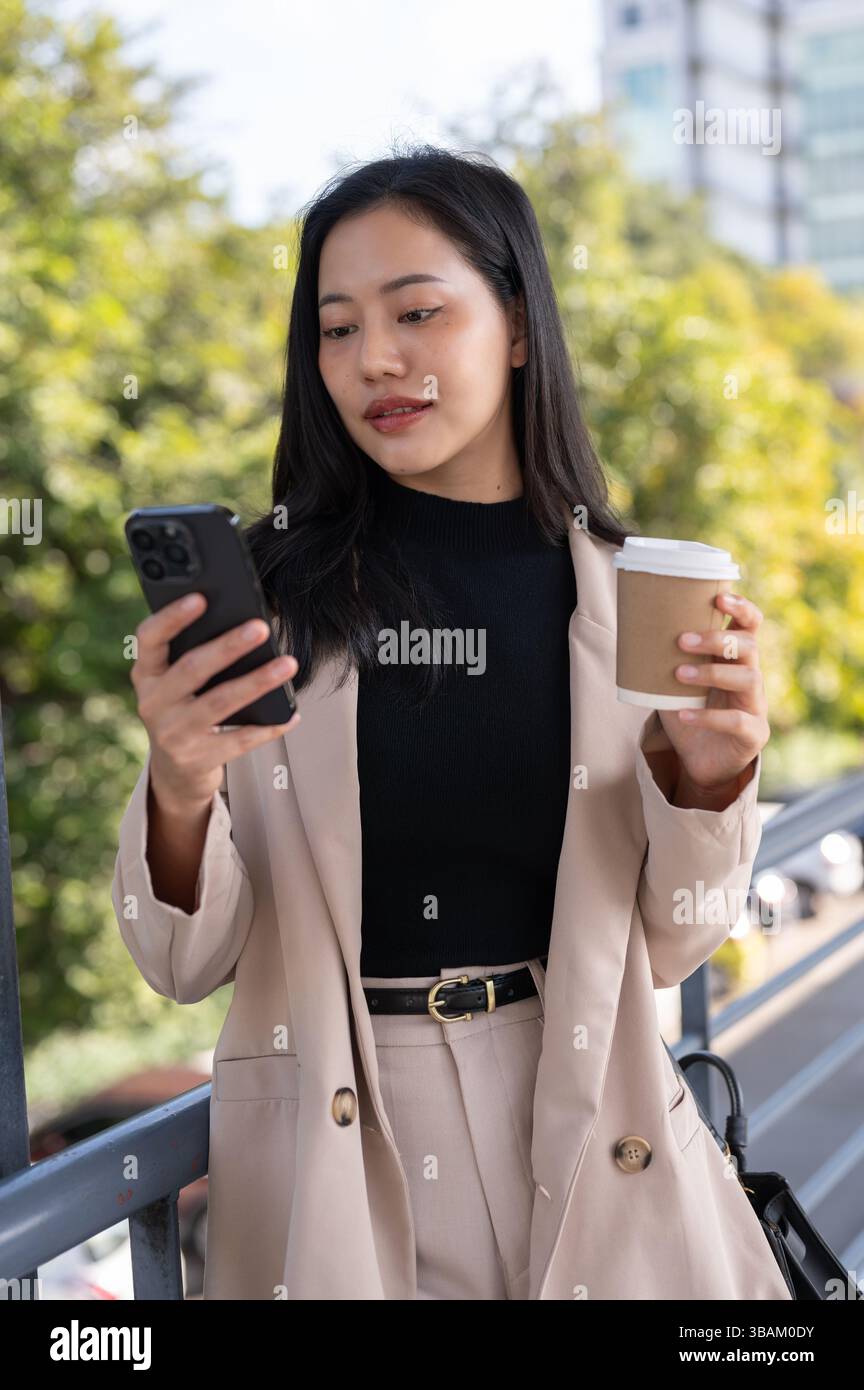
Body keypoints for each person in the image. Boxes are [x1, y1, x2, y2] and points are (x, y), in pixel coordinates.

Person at [112, 146, 791, 1301]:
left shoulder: (631, 603)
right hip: (340, 1137)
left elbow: (677, 942)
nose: (375, 358)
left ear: (520, 327)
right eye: (335, 329)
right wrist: (179, 782)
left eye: (418, 311)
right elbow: (182, 961)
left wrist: (711, 782)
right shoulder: (272, 607)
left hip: (593, 1117)